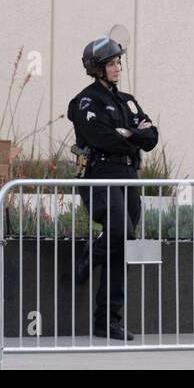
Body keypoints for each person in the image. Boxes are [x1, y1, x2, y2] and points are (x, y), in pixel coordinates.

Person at [68, 35, 158, 341]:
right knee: (120, 231)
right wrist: (134, 134)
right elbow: (101, 138)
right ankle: (90, 255)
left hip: (129, 173)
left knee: (123, 243)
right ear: (97, 69)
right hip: (100, 173)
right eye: (111, 63)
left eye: (118, 61)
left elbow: (152, 136)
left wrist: (128, 133)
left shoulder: (127, 100)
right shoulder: (85, 101)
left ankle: (108, 320)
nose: (117, 67)